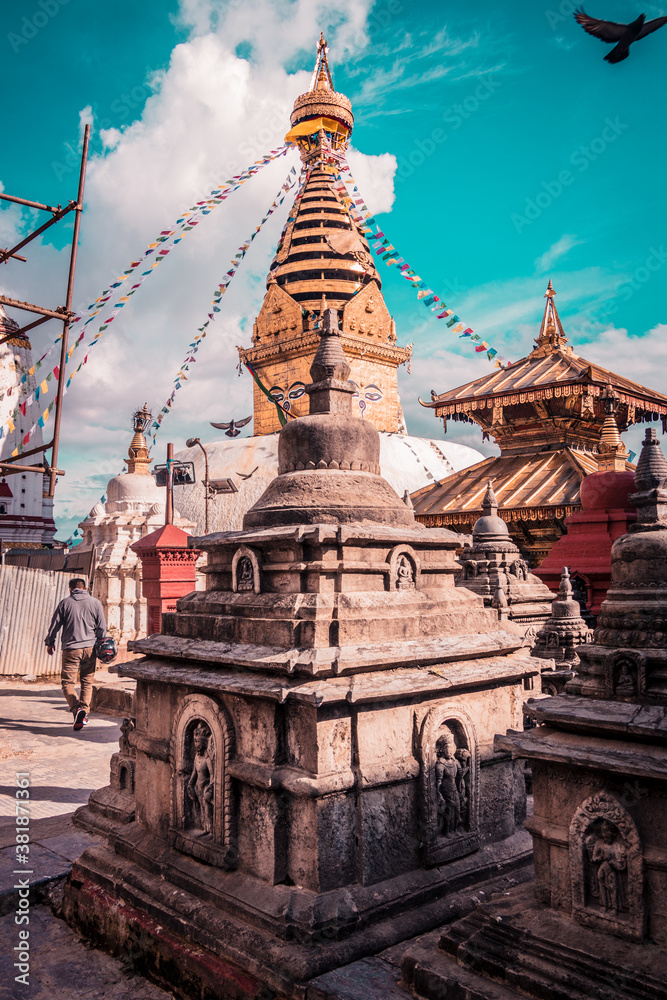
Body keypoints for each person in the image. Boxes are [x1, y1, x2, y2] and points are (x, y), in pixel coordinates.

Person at [44, 578, 106, 731]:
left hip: (71, 649)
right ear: (84, 588)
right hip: (90, 648)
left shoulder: (65, 603)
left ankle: (76, 709)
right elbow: (102, 628)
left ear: (70, 589)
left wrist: (50, 642)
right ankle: (84, 713)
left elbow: (55, 626)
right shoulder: (95, 603)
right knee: (87, 682)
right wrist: (102, 646)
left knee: (67, 683)